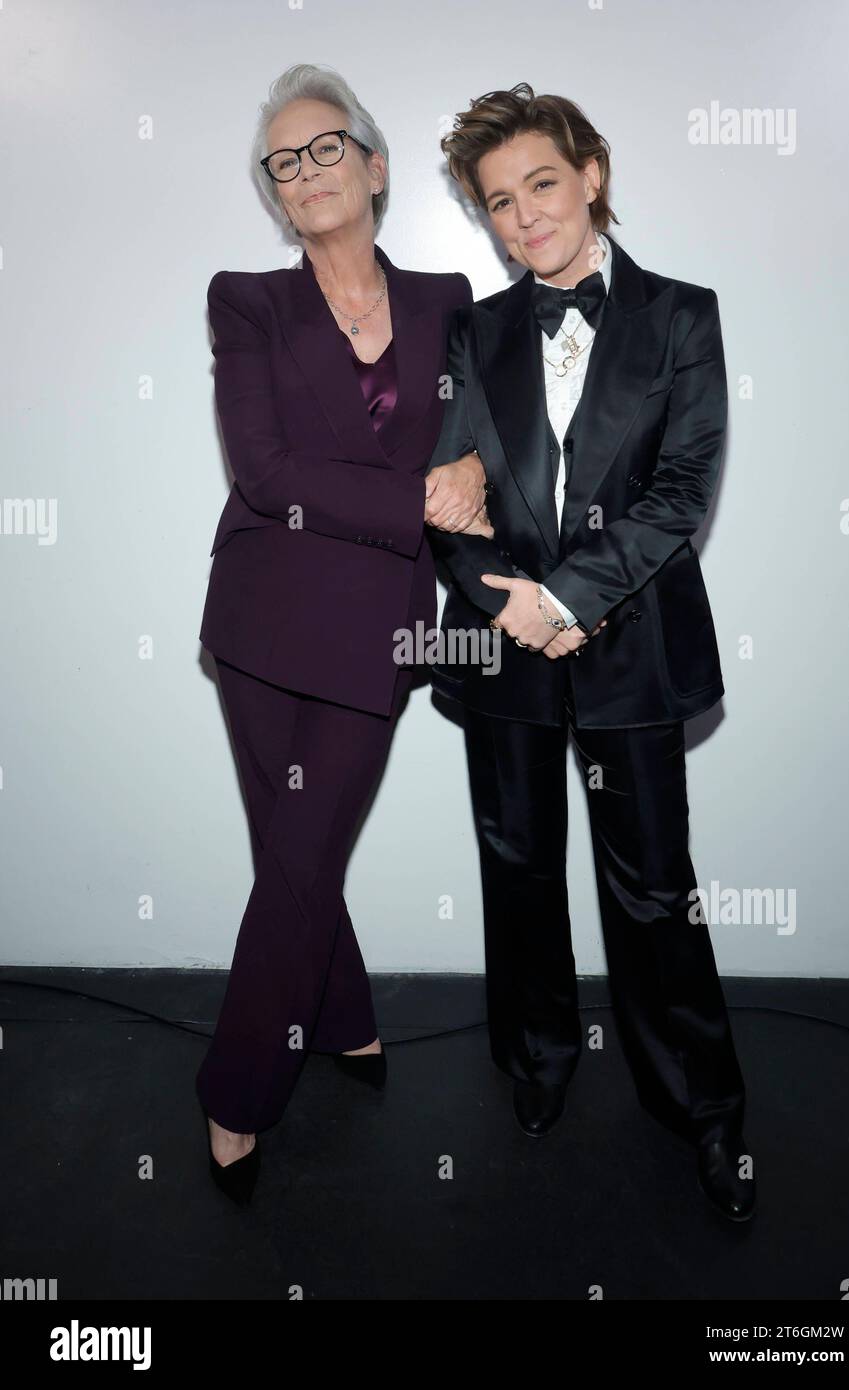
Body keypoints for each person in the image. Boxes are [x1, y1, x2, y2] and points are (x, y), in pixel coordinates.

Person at [426, 83, 755, 1221]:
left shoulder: (682, 316)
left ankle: (704, 1110)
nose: (524, 218)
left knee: (654, 892)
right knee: (518, 874)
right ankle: (539, 1062)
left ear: (593, 172)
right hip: (505, 650)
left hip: (632, 644)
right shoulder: (472, 331)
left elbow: (679, 495)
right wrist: (493, 598)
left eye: (542, 186)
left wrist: (566, 597)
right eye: (499, 202)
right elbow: (448, 501)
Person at [195, 62, 485, 1203]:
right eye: (282, 161)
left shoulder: (450, 299)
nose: (304, 171)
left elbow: (484, 453)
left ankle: (235, 1084)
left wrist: (473, 485)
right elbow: (264, 472)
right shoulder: (247, 302)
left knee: (303, 851)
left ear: (373, 165)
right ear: (273, 194)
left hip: (379, 628)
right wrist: (420, 491)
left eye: (324, 148)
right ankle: (341, 1021)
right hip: (261, 619)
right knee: (297, 854)